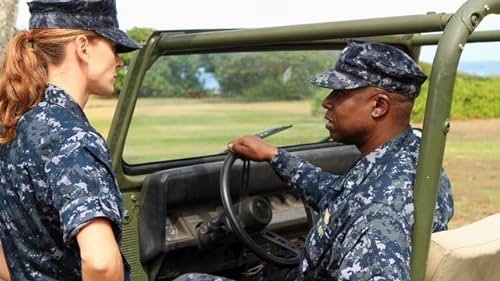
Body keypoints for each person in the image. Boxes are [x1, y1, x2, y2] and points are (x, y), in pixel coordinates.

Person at [175, 40, 454, 280]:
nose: (326, 102)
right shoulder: (410, 158)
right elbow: (343, 197)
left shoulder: (378, 219)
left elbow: (367, 211)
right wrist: (275, 156)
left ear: (378, 106)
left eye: (340, 93)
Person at [0, 0, 140, 280]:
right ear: (82, 46)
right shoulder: (72, 137)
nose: (119, 61)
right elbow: (100, 263)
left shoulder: (15, 123)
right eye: (113, 48)